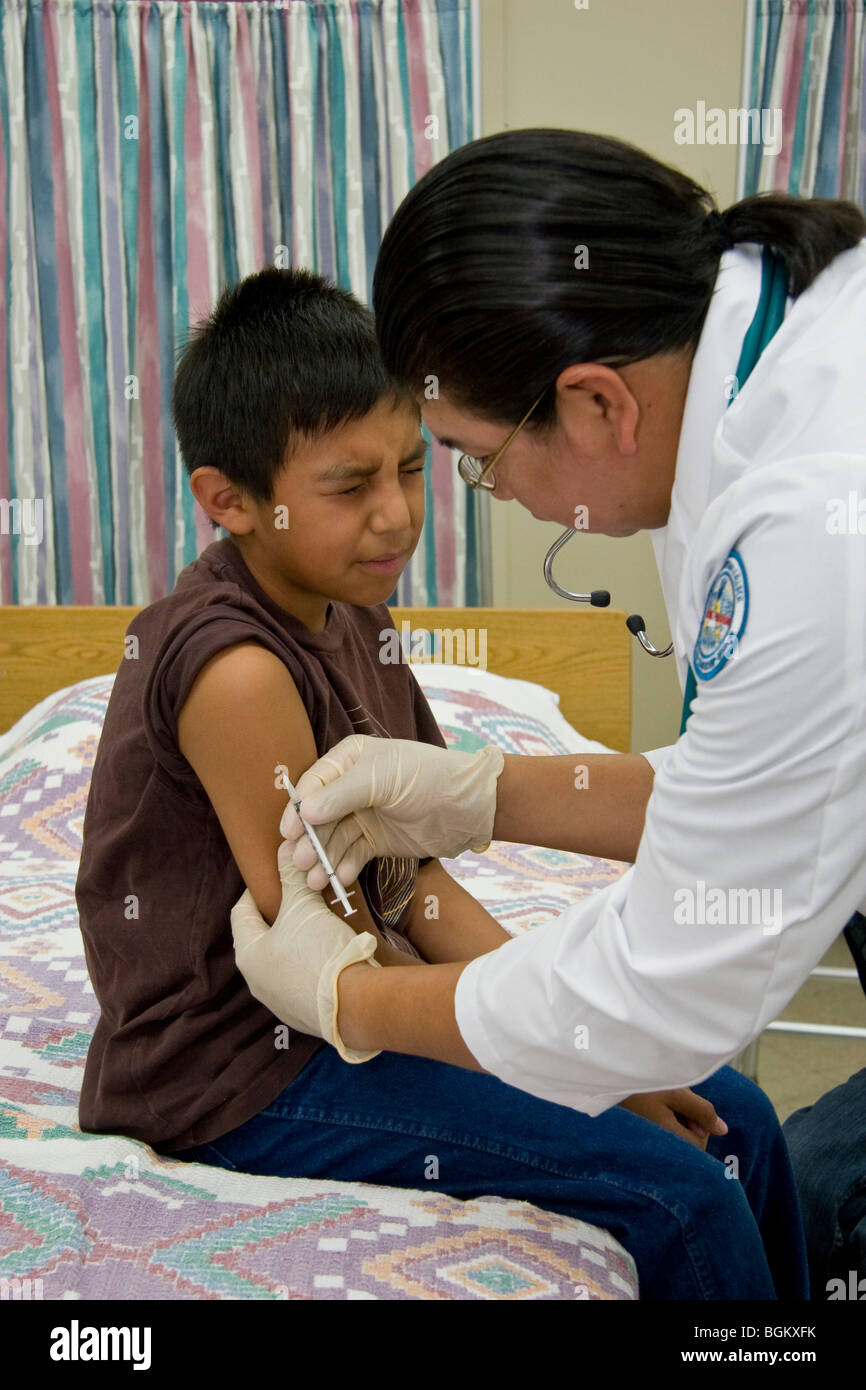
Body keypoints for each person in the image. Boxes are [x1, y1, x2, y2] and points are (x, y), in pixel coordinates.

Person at [75, 262, 806, 1301]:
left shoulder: (354, 618)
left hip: (358, 1007)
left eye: (410, 469)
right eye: (347, 486)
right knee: (681, 1192)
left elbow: (410, 879)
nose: (395, 516)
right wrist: (583, 1071)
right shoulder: (235, 671)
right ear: (229, 500)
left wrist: (588, 1047)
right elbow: (333, 944)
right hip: (245, 1069)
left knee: (743, 1122)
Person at [229, 129, 866, 1294]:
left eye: (466, 462)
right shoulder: (229, 662)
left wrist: (350, 997)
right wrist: (483, 792)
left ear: (592, 403)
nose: (490, 501)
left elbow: (660, 981)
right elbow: (766, 782)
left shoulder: (820, 519)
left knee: (785, 1170)